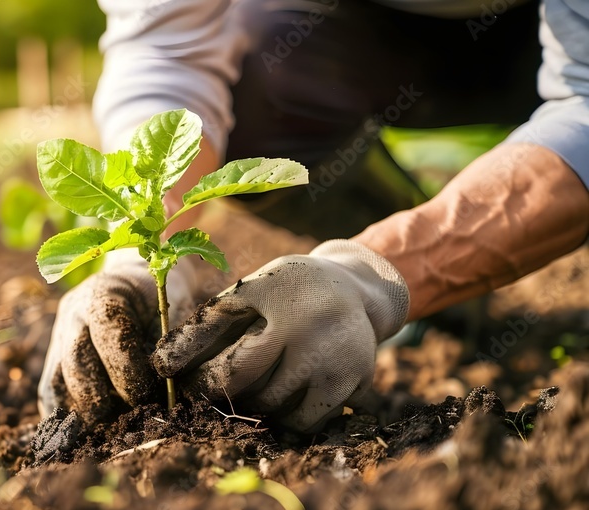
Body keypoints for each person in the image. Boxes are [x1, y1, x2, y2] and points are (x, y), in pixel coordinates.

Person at [38, 0, 589, 432]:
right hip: (365, 36)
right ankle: (431, 258)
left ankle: (411, 271)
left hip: (543, 35)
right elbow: (164, 53)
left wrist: (373, 277)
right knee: (260, 70)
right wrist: (142, 251)